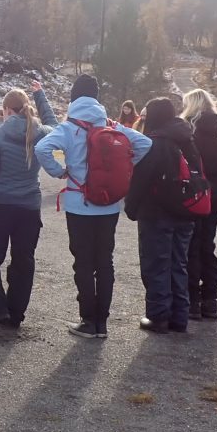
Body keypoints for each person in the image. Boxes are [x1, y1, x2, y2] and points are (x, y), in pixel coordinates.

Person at [35, 74, 151, 338]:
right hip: (109, 205)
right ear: (96, 98)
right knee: (105, 262)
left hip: (79, 204)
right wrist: (126, 168)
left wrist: (59, 171)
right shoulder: (111, 125)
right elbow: (146, 143)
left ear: (74, 97)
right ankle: (102, 324)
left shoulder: (69, 127)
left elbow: (42, 148)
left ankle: (88, 321)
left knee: (84, 262)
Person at [0, 81, 57, 334]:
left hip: (1, 205)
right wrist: (40, 95)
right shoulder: (41, 132)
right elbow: (56, 125)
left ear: (7, 109)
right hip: (29, 207)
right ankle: (15, 313)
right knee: (23, 260)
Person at [124, 97, 200, 333]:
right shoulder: (187, 138)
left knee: (157, 264)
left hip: (156, 212)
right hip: (186, 211)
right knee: (179, 263)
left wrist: (131, 208)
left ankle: (158, 316)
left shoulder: (154, 143)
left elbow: (141, 180)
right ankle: (180, 316)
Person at [180, 89, 217, 319]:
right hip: (214, 195)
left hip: (194, 194)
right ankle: (210, 299)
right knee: (207, 245)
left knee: (191, 248)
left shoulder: (189, 131)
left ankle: (192, 301)